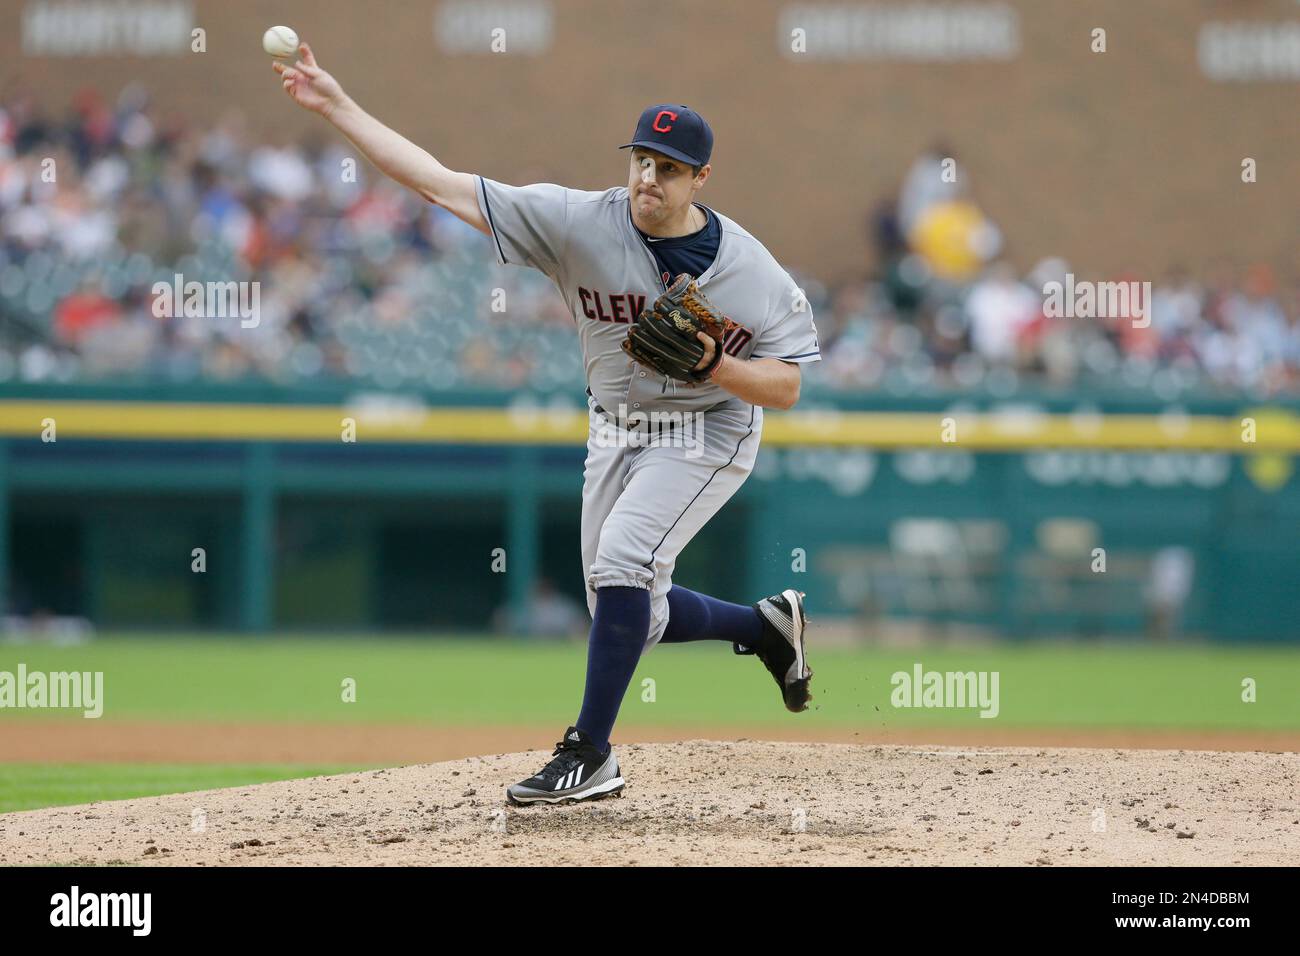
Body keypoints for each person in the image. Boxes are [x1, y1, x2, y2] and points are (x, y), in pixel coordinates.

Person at [274, 44, 821, 805]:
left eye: (667, 167)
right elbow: (439, 185)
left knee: (625, 563)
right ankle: (765, 629)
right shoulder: (577, 223)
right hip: (616, 426)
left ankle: (590, 753)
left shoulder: (748, 268)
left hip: (709, 426)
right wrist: (336, 104)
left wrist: (715, 369)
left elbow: (787, 386)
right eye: (640, 160)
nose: (647, 178)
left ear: (700, 178)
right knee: (624, 607)